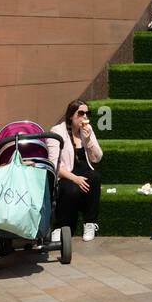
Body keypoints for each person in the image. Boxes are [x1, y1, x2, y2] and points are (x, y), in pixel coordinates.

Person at [49, 101, 103, 241]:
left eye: (87, 113)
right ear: (71, 115)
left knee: (95, 178)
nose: (84, 116)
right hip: (65, 175)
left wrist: (89, 139)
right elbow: (54, 165)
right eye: (81, 113)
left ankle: (90, 223)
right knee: (71, 190)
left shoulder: (87, 130)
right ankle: (59, 226)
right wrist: (75, 179)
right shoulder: (57, 132)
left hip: (84, 171)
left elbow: (97, 158)